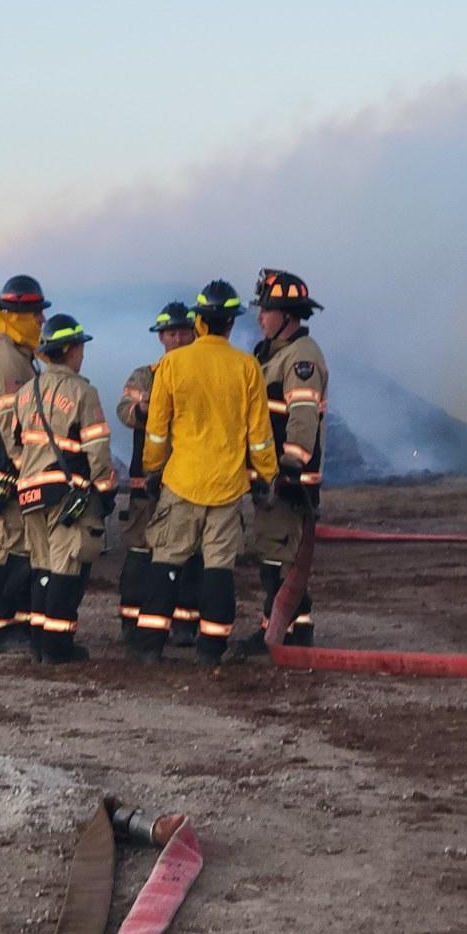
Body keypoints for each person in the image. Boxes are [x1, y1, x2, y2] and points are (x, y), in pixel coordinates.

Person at [129, 280, 277, 666]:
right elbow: (260, 435)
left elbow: (157, 429)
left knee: (166, 561)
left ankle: (148, 646)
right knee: (219, 568)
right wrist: (266, 475)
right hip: (228, 488)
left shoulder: (173, 365)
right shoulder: (247, 367)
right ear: (231, 323)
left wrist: (152, 469)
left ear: (198, 321)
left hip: (181, 482)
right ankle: (211, 649)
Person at [6, 314, 116, 664]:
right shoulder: (83, 392)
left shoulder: (26, 392)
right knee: (67, 568)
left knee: (42, 567)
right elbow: (97, 449)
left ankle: (39, 644)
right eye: (80, 347)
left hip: (29, 493)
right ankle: (57, 647)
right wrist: (105, 491)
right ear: (69, 350)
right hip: (67, 496)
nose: (82, 354)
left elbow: (16, 444)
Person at [237, 269, 329, 653]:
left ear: (288, 315)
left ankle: (282, 635)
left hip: (288, 479)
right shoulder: (271, 354)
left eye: (267, 310)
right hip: (269, 476)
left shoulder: (301, 357)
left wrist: (292, 464)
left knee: (282, 559)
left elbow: (302, 415)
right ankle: (286, 631)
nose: (260, 317)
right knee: (274, 557)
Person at [116, 302, 201, 644]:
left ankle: (184, 624)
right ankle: (132, 620)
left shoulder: (202, 375)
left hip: (188, 482)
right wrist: (150, 407)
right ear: (161, 337)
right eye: (171, 334)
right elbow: (124, 411)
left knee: (189, 551)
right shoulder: (144, 376)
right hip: (147, 484)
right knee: (140, 549)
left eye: (183, 333)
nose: (177, 339)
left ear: (195, 334)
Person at [0, 274, 49, 651]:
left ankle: (14, 622)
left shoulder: (17, 354)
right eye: (36, 314)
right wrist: (27, 467)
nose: (41, 320)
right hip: (9, 471)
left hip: (12, 470)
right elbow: (9, 424)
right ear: (16, 316)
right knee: (8, 547)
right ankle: (0, 628)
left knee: (19, 546)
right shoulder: (6, 359)